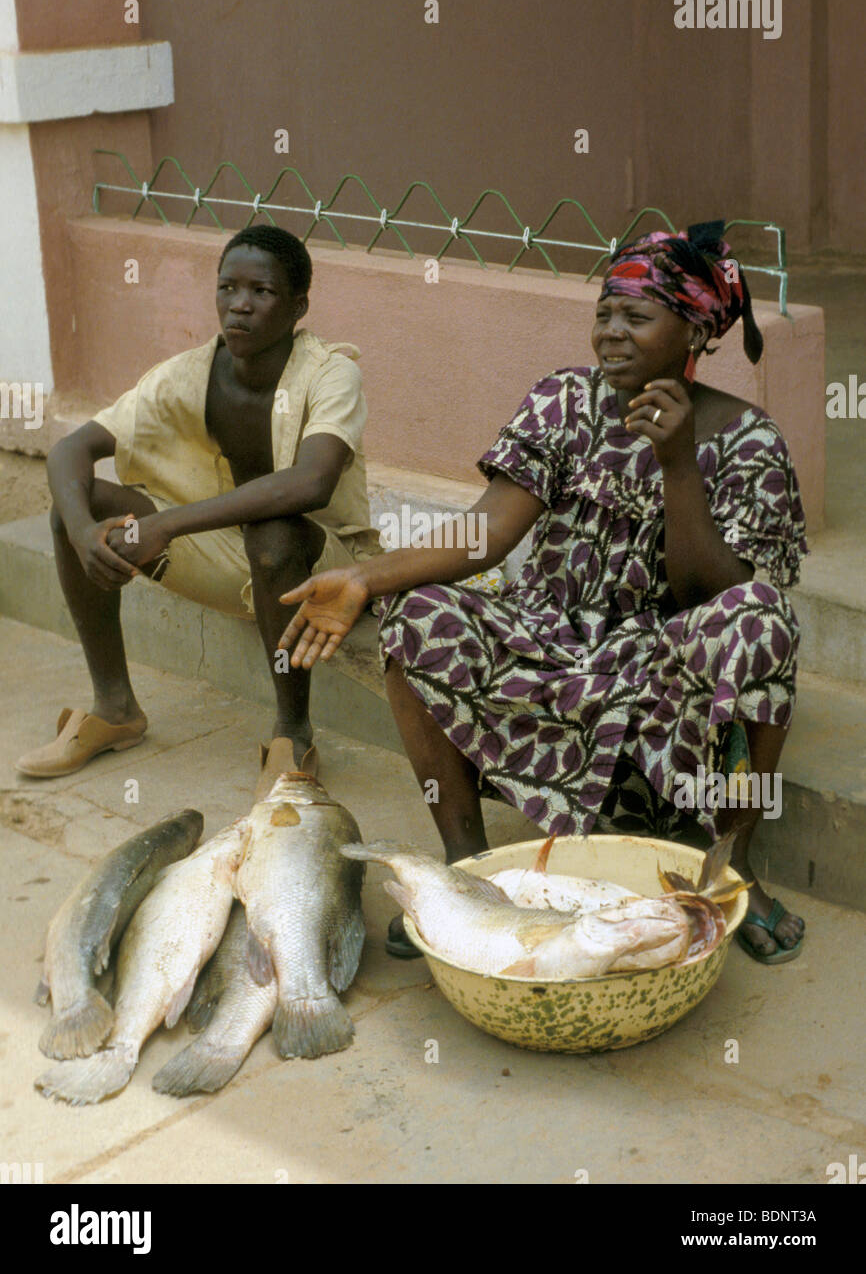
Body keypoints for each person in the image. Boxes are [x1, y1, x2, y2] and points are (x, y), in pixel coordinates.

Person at [278, 222, 808, 966]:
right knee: (418, 613)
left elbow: (705, 595)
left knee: (763, 622)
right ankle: (466, 868)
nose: (610, 335)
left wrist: (678, 464)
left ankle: (735, 860)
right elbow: (485, 536)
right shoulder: (563, 402)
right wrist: (368, 577)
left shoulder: (749, 439)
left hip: (664, 665)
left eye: (635, 317)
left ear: (693, 327)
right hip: (551, 643)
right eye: (603, 313)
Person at [17, 225, 381, 797]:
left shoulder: (331, 374)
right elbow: (70, 449)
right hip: (221, 555)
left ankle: (293, 736)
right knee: (76, 505)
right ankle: (115, 709)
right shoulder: (189, 375)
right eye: (227, 287)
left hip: (319, 566)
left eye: (261, 291)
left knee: (274, 531)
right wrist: (87, 536)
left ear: (298, 307)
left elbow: (310, 484)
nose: (239, 304)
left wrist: (163, 525)